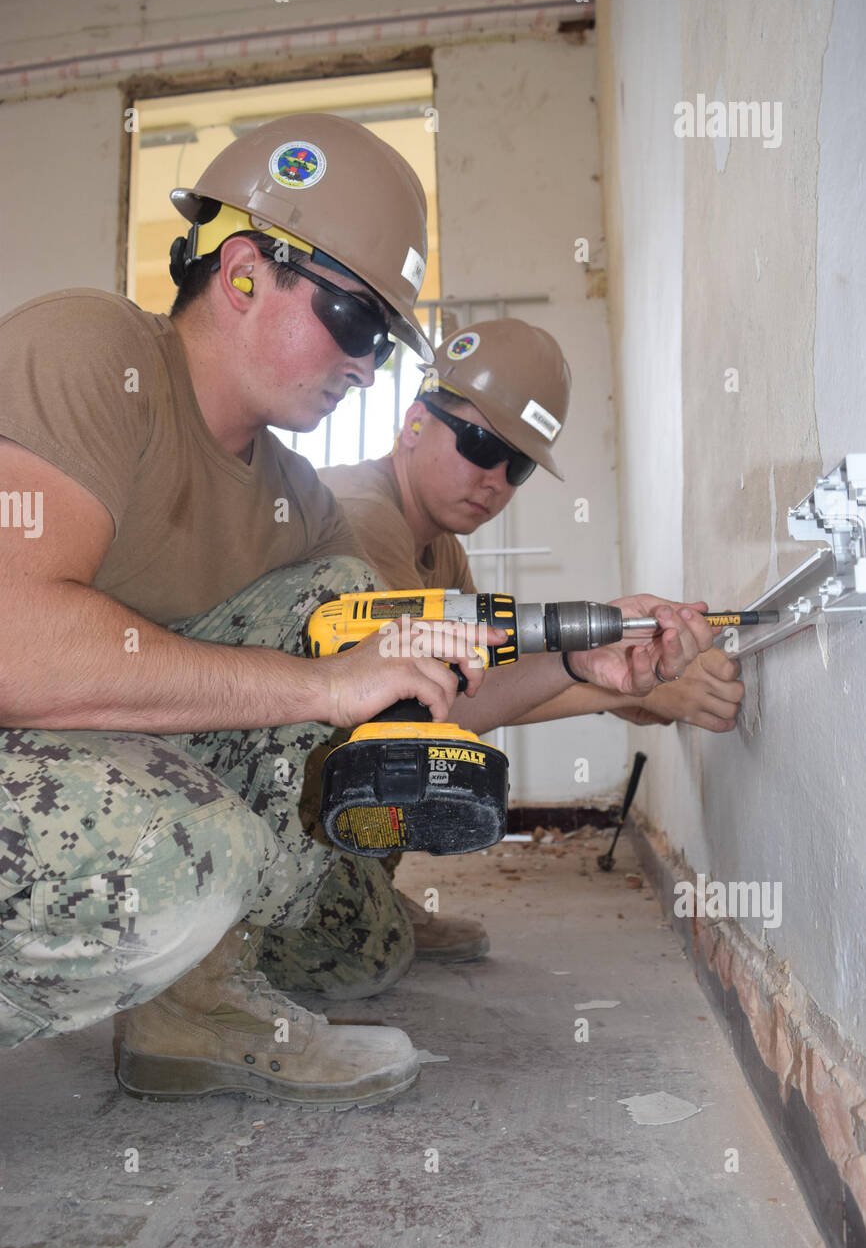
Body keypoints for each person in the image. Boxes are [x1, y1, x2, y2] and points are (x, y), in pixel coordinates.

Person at [0, 117, 713, 1109]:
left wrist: (580, 664)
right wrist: (316, 683)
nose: (370, 366)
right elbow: (15, 646)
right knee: (185, 860)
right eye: (359, 324)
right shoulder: (95, 355)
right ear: (244, 271)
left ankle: (194, 1009)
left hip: (106, 758)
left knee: (344, 634)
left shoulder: (296, 498)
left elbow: (401, 666)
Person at [267, 320, 741, 970]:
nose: (495, 479)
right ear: (414, 421)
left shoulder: (443, 554)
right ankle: (280, 910)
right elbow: (420, 715)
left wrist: (628, 684)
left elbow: (482, 688)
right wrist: (628, 686)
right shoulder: (362, 514)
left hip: (313, 788)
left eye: (516, 464)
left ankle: (360, 887)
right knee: (360, 962)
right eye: (480, 444)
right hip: (270, 797)